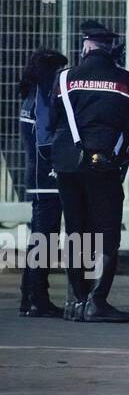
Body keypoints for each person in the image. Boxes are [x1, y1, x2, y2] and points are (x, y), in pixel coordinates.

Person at [49, 21, 129, 323]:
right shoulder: (125, 81)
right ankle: (97, 301)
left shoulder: (64, 79)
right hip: (103, 164)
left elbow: (53, 122)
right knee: (106, 233)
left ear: (86, 47)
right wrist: (118, 158)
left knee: (76, 230)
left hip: (67, 163)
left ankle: (76, 302)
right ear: (110, 49)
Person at [18, 48, 69, 317]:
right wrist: (59, 163)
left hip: (37, 176)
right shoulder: (43, 96)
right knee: (44, 239)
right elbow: (45, 137)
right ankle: (37, 297)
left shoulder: (30, 93)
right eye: (60, 69)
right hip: (47, 176)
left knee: (40, 237)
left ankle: (30, 296)